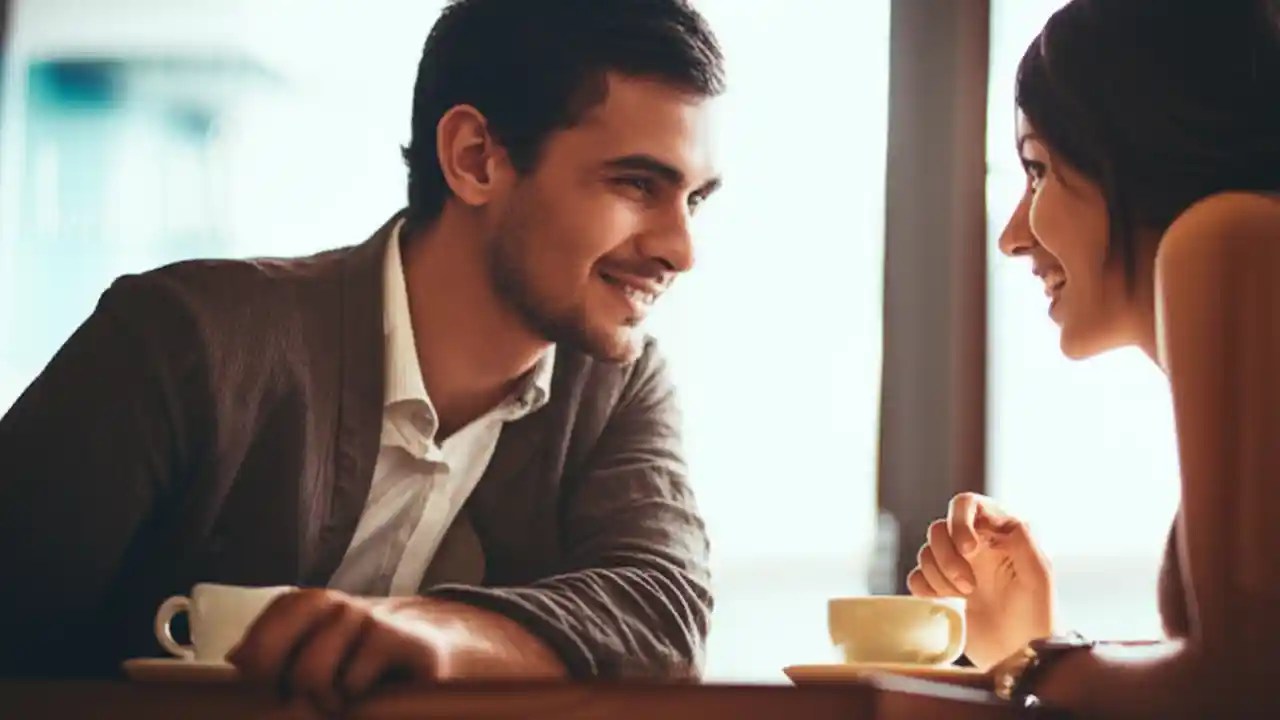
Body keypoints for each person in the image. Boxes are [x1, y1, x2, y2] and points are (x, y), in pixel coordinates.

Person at [0, 0, 725, 708]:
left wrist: (435, 634)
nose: (681, 250)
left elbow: (662, 614)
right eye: (636, 184)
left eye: (693, 199)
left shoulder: (617, 387)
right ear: (475, 158)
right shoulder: (180, 341)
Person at [905, 0, 1280, 717]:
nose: (1012, 236)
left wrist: (1028, 667)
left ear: (1136, 144)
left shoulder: (1226, 236)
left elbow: (1239, 688)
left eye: (1038, 169)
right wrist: (1038, 643)